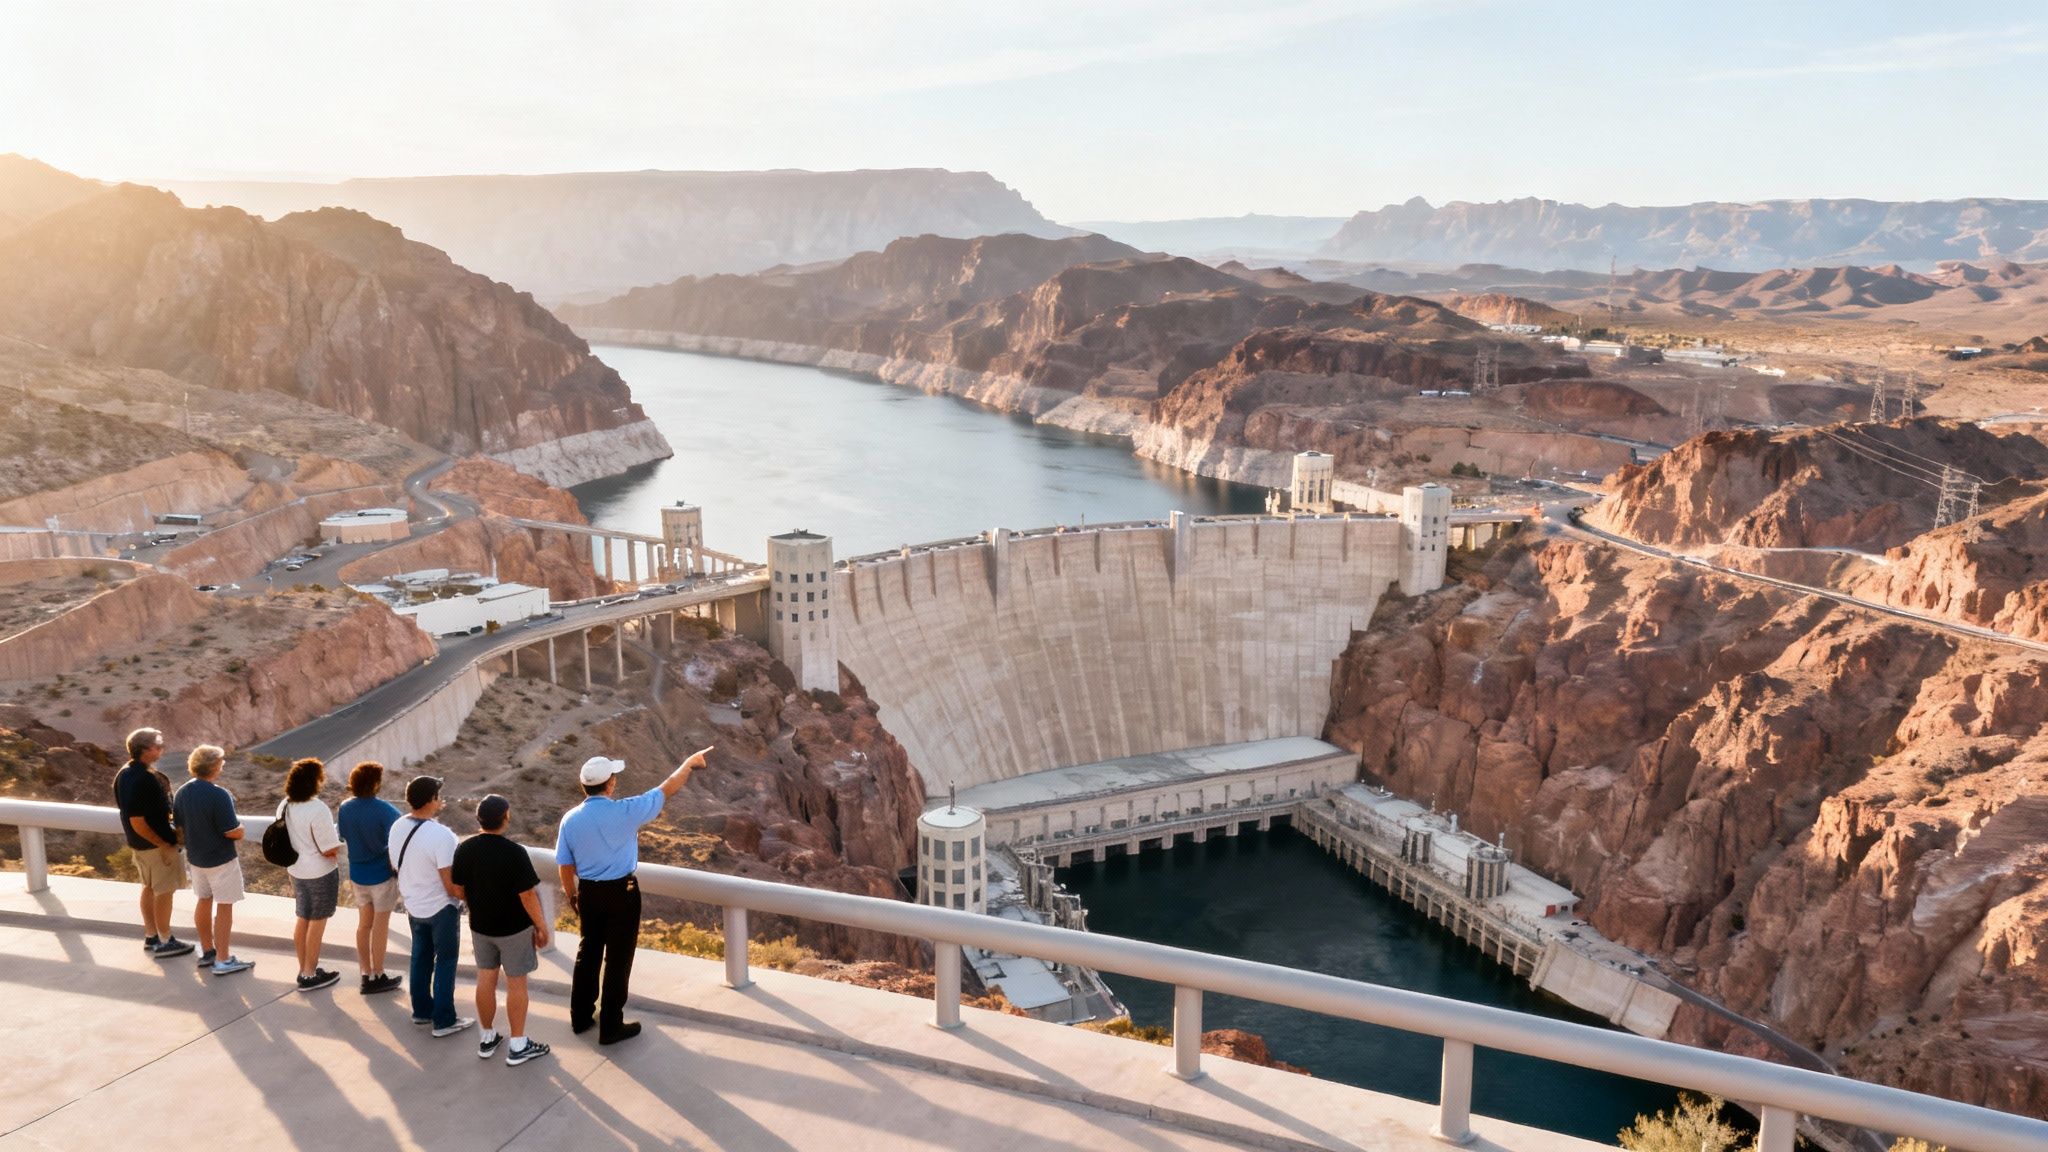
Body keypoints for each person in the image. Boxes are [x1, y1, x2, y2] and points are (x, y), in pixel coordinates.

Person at [556, 747, 710, 1045]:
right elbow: (667, 788)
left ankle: (580, 1016)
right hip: (622, 893)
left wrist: (572, 895)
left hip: (588, 891)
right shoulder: (626, 811)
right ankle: (611, 1025)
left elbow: (565, 865)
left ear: (584, 786)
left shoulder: (570, 819)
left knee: (587, 952)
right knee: (618, 957)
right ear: (610, 784)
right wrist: (689, 763)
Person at [452, 794, 552, 1066]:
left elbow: (458, 889)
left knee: (486, 978)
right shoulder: (515, 852)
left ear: (479, 819)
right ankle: (518, 1044)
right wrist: (541, 927)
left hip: (481, 926)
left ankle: (487, 1037)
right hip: (513, 929)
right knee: (516, 982)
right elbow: (528, 895)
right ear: (505, 817)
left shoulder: (465, 848)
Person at [388, 775, 470, 1037]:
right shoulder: (442, 836)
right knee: (445, 961)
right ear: (432, 800)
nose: (441, 799)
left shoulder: (398, 826)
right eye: (438, 795)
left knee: (420, 958)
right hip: (441, 908)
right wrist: (469, 900)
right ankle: (444, 1020)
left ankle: (421, 1011)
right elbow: (450, 885)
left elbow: (394, 864)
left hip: (413, 904)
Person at [170, 745, 253, 976]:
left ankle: (208, 952)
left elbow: (179, 825)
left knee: (203, 900)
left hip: (196, 859)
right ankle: (223, 960)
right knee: (225, 907)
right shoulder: (219, 795)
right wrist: (241, 830)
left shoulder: (183, 792)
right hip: (221, 860)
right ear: (215, 766)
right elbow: (230, 830)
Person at [112, 727, 192, 958]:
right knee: (164, 892)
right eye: (158, 745)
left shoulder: (124, 773)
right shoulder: (144, 779)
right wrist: (164, 844)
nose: (162, 749)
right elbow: (137, 820)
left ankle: (151, 935)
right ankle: (165, 940)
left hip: (139, 846)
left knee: (148, 888)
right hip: (155, 847)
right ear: (145, 750)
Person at [336, 761, 403, 995]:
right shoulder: (386, 811)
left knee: (364, 926)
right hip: (382, 876)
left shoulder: (345, 808)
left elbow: (343, 835)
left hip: (358, 875)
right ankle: (379, 973)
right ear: (375, 783)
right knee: (380, 927)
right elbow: (399, 840)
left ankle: (365, 973)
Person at [281, 757, 343, 992]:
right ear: (314, 782)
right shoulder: (317, 809)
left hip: (296, 870)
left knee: (303, 917)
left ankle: (304, 968)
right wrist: (338, 848)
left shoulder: (285, 805)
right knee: (318, 921)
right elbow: (328, 848)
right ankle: (309, 974)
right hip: (319, 872)